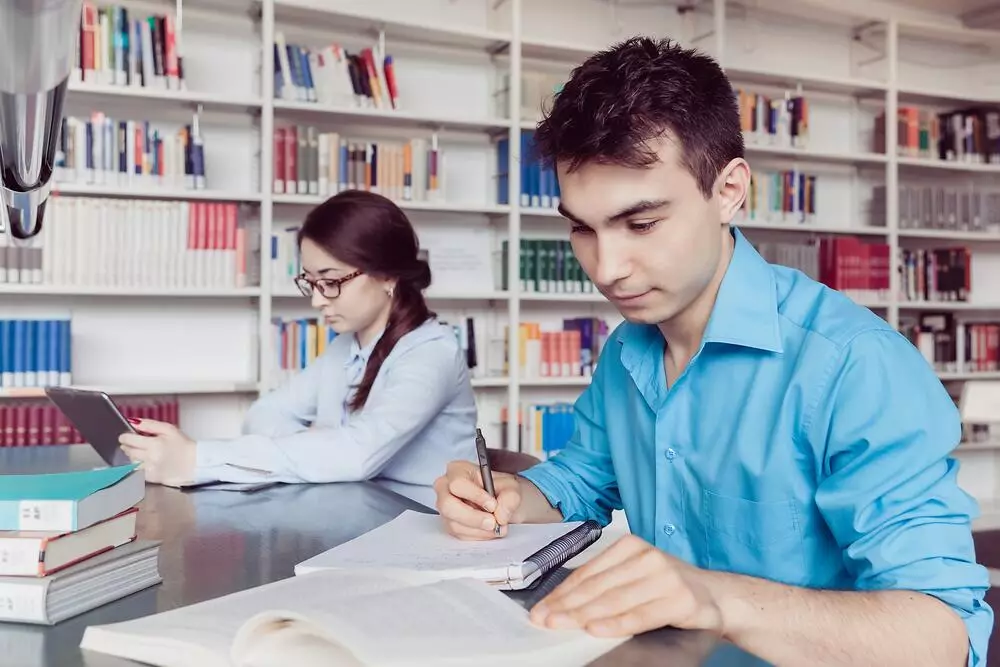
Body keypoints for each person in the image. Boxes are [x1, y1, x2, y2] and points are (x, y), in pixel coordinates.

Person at [433, 36, 992, 667]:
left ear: (728, 191)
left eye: (641, 224)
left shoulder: (854, 366)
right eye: (582, 228)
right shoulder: (627, 351)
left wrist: (714, 599)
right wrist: (507, 497)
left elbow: (943, 636)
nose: (608, 269)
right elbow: (580, 481)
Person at [120, 190, 478, 486]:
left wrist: (199, 459)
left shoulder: (432, 353)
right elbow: (264, 415)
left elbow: (357, 456)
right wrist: (322, 448)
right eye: (311, 281)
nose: (317, 299)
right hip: (359, 515)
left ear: (387, 276)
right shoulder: (346, 347)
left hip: (426, 531)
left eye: (331, 281)